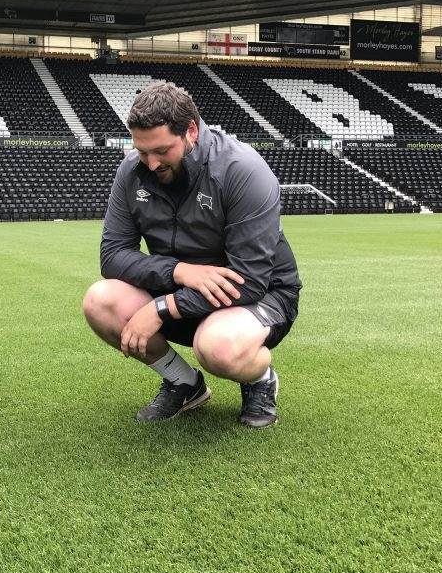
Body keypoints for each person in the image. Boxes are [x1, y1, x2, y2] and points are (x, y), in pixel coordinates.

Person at [83, 81, 301, 428]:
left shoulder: (241, 170)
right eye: (142, 151)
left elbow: (250, 281)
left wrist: (163, 307)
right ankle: (184, 383)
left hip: (259, 297)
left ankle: (260, 379)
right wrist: (179, 272)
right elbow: (112, 256)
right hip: (185, 289)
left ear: (191, 132)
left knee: (218, 347)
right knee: (100, 300)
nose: (150, 163)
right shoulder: (131, 171)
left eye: (161, 151)